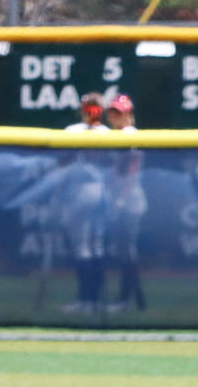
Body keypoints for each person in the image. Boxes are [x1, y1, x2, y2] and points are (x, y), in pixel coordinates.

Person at [61, 93, 110, 313]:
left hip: (81, 193)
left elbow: (62, 161)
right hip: (102, 193)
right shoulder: (108, 134)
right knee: (97, 246)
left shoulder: (73, 131)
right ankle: (96, 300)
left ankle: (85, 300)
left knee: (83, 248)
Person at [102, 94, 145, 311]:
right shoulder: (115, 135)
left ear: (128, 114)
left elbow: (132, 169)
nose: (113, 115)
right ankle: (136, 300)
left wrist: (121, 199)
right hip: (119, 199)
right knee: (124, 251)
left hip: (130, 200)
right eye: (111, 111)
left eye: (118, 112)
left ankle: (127, 299)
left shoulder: (129, 134)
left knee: (127, 251)